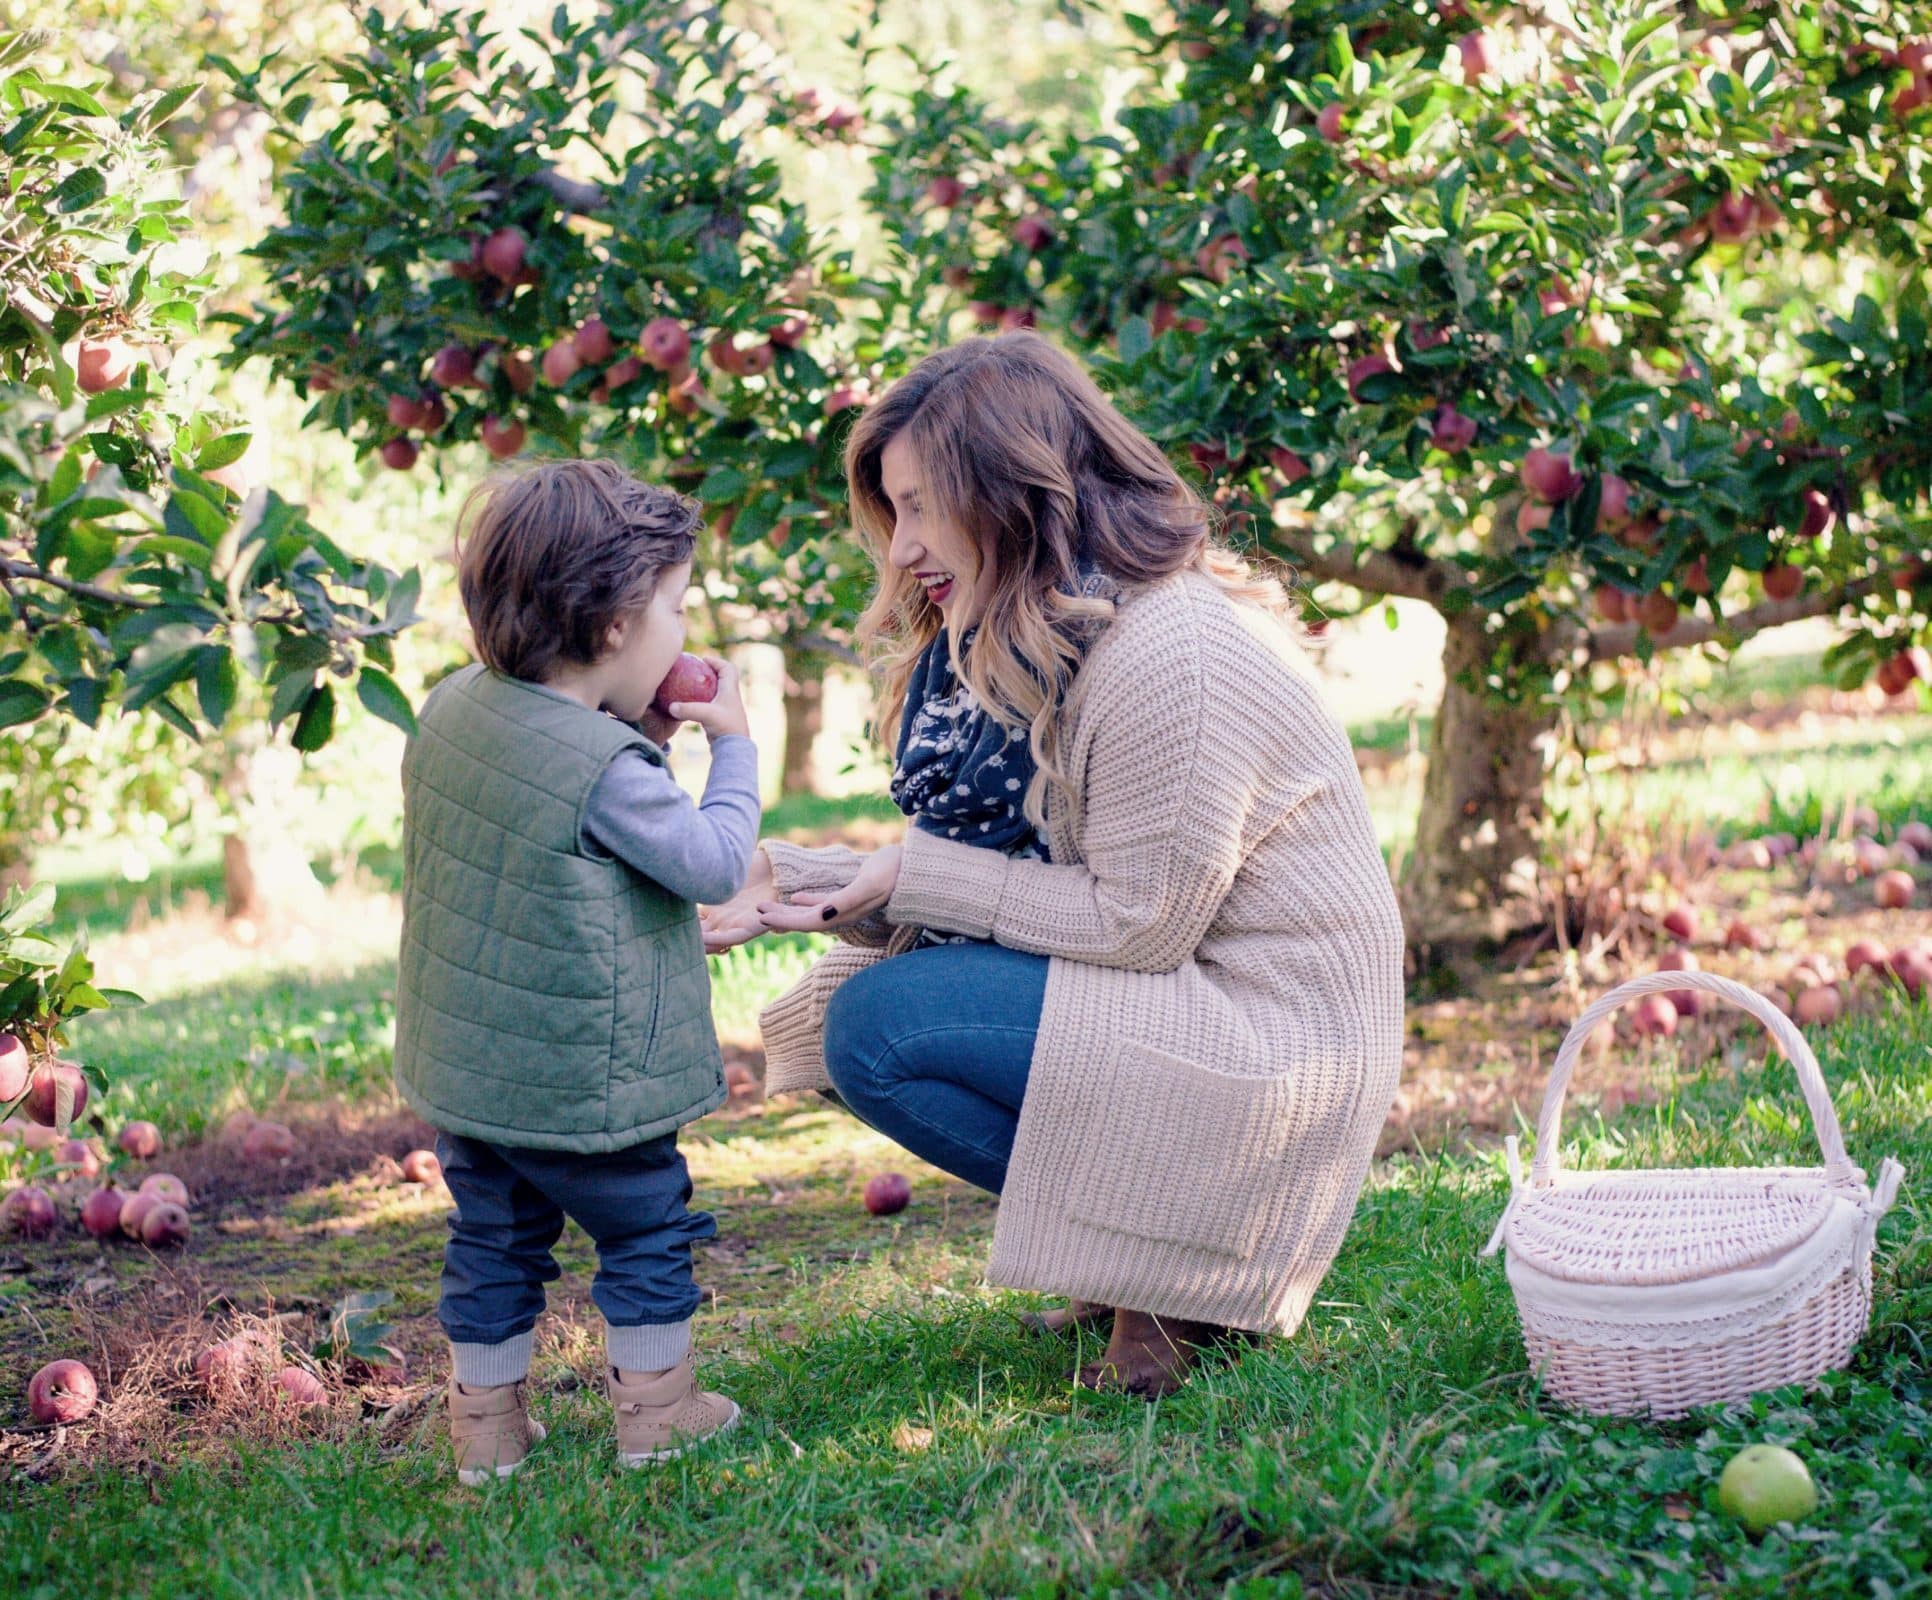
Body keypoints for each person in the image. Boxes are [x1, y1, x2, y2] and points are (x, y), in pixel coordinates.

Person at [701, 330, 1405, 1398]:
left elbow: (1138, 925)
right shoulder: (1064, 623)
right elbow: (1004, 872)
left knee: (883, 1026)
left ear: (1019, 493)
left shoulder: (1172, 653)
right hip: (1193, 1009)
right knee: (858, 1011)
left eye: (925, 508)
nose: (900, 550)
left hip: (1271, 1056)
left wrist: (905, 873)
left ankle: (1181, 1275)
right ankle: (1135, 1252)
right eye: (894, 513)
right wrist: (785, 873)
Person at [392, 457, 759, 1483]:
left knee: (494, 1240)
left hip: (474, 1074)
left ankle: (487, 1434)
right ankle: (657, 1413)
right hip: (583, 1077)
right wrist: (732, 747)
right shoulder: (604, 768)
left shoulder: (455, 710)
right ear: (612, 629)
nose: (685, 633)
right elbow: (711, 861)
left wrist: (637, 733)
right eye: (676, 609)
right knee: (645, 1228)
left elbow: (546, 834)